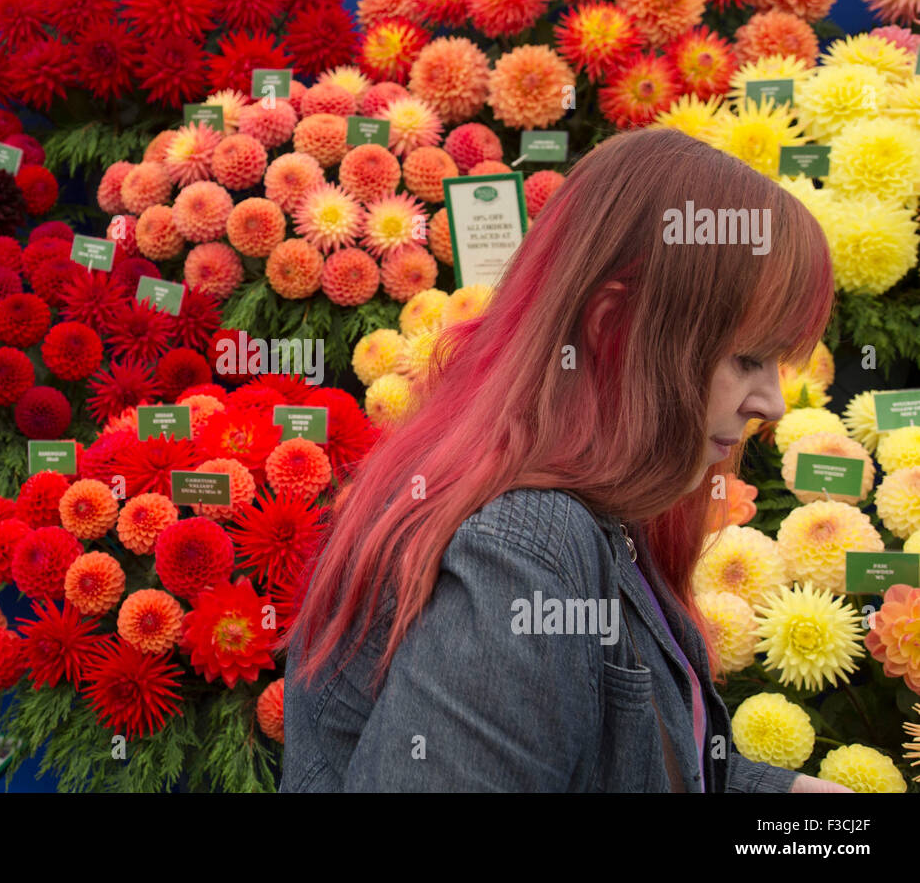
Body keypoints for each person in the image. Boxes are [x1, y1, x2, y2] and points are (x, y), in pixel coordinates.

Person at [280, 128, 852, 793]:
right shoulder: (523, 545)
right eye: (747, 359)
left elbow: (624, 751)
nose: (773, 404)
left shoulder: (572, 497)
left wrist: (773, 793)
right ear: (612, 329)